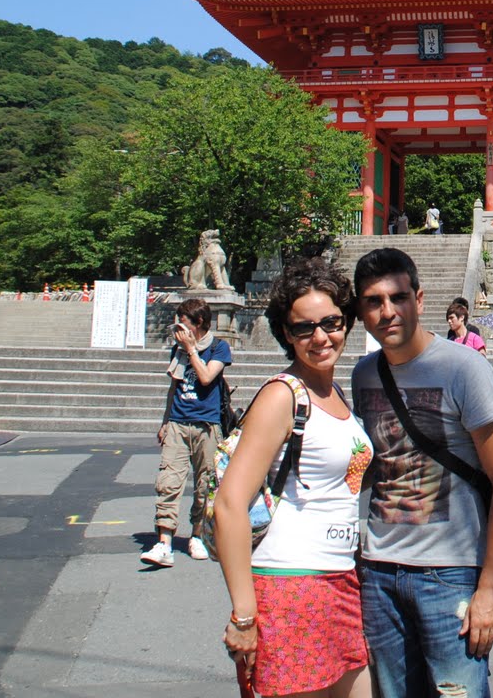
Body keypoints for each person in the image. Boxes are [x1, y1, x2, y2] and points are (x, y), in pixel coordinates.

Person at [349, 247, 493, 698]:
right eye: (373, 301)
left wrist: (492, 588)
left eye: (397, 297)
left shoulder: (463, 368)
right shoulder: (363, 374)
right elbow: (377, 464)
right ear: (361, 311)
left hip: (450, 572)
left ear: (419, 299)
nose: (387, 311)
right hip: (379, 570)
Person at [215, 258, 373, 698]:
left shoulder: (336, 392)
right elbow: (230, 504)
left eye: (331, 322)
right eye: (304, 328)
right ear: (286, 333)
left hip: (342, 581)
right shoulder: (281, 396)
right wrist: (244, 614)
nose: (321, 337)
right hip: (290, 585)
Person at [142, 298, 232, 568]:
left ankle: (198, 535)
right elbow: (174, 388)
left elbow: (206, 378)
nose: (178, 328)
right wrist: (165, 421)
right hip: (178, 423)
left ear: (199, 323)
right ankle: (164, 541)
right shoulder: (177, 350)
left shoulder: (219, 348)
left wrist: (192, 350)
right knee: (168, 480)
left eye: (184, 322)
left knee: (206, 485)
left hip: (207, 425)